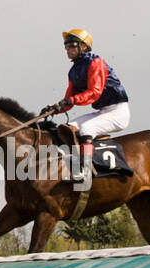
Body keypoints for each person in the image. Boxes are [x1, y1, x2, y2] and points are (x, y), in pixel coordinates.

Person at [38, 29, 130, 184]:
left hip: (118, 112)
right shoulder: (73, 71)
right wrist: (54, 108)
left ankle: (85, 170)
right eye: (66, 46)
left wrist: (71, 100)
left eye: (72, 45)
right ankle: (73, 165)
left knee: (87, 128)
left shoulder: (96, 62)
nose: (68, 49)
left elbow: (94, 92)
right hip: (103, 112)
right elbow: (68, 101)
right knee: (68, 128)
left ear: (84, 46)